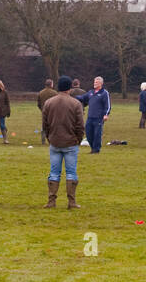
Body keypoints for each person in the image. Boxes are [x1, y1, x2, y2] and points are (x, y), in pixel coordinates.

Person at [42, 75, 84, 208]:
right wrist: (78, 139)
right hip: (71, 142)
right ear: (69, 88)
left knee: (54, 172)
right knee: (71, 172)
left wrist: (50, 137)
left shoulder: (48, 103)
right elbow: (80, 125)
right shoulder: (76, 103)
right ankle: (71, 202)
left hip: (54, 142)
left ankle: (51, 201)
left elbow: (45, 124)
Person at [78, 75, 111, 153]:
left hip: (99, 118)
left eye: (96, 82)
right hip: (90, 117)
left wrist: (106, 114)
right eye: (94, 82)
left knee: (97, 134)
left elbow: (108, 105)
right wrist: (72, 97)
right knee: (88, 133)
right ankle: (93, 147)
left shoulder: (104, 93)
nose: (95, 83)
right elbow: (82, 98)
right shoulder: (91, 92)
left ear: (101, 84)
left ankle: (96, 150)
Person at [36, 78, 57, 143]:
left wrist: (42, 109)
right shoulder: (55, 93)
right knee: (52, 125)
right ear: (51, 84)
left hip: (44, 111)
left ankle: (43, 140)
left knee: (44, 126)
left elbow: (38, 104)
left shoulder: (41, 93)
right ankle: (52, 140)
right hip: (53, 112)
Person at [0, 79, 12, 144]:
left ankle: (5, 139)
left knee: (2, 125)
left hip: (2, 112)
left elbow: (7, 102)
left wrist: (8, 111)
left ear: (1, 85)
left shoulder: (5, 92)